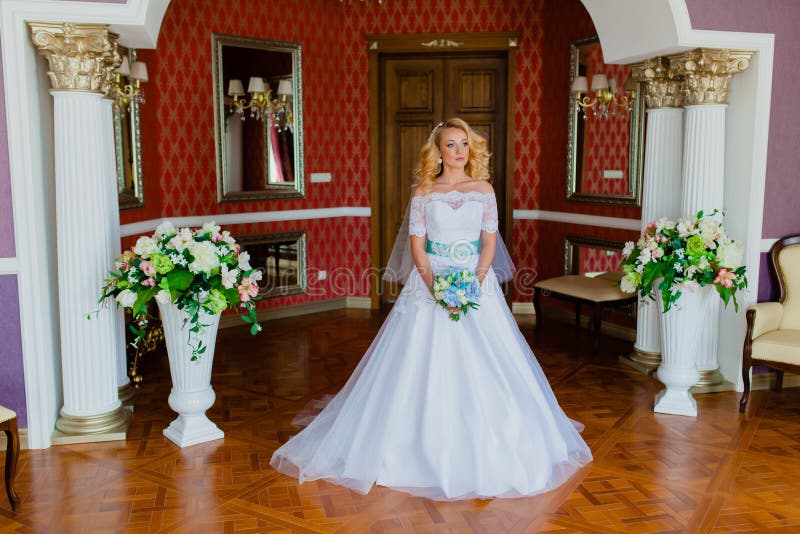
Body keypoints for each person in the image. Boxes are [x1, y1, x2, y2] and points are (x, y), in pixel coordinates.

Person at [270, 118, 592, 500]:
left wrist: (475, 279)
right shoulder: (424, 192)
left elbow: (489, 242)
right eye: (451, 145)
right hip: (430, 282)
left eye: (464, 144)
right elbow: (418, 247)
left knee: (491, 358)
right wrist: (435, 287)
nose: (459, 151)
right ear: (438, 152)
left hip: (475, 281)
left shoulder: (484, 189)